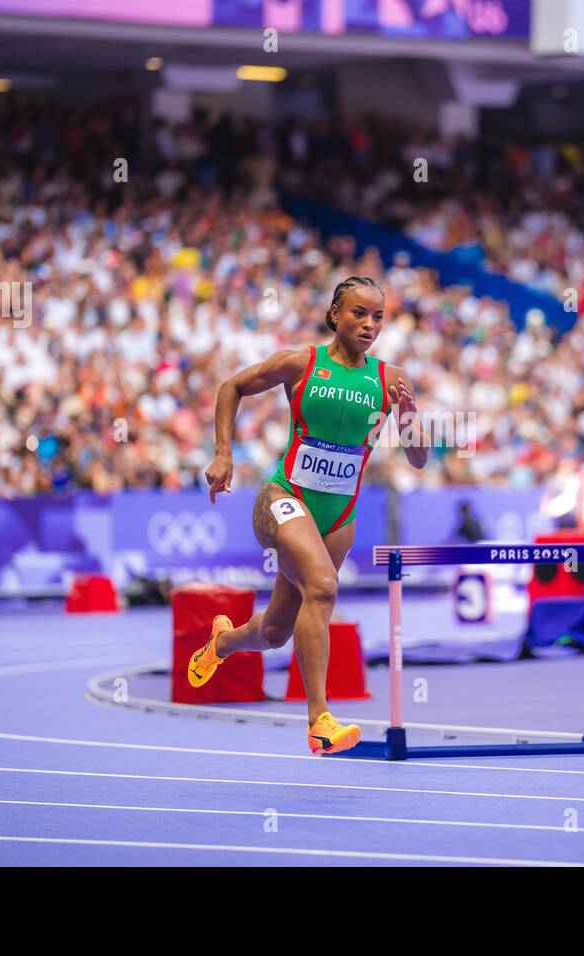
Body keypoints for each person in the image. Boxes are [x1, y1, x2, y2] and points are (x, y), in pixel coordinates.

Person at [192, 276, 427, 754]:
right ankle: (319, 719)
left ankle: (222, 643)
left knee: (277, 632)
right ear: (336, 313)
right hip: (283, 498)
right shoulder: (302, 362)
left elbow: (418, 458)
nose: (369, 325)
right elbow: (230, 387)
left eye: (378, 316)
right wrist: (223, 453)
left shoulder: (392, 379)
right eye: (359, 313)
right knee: (323, 586)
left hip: (338, 517)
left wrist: (409, 418)